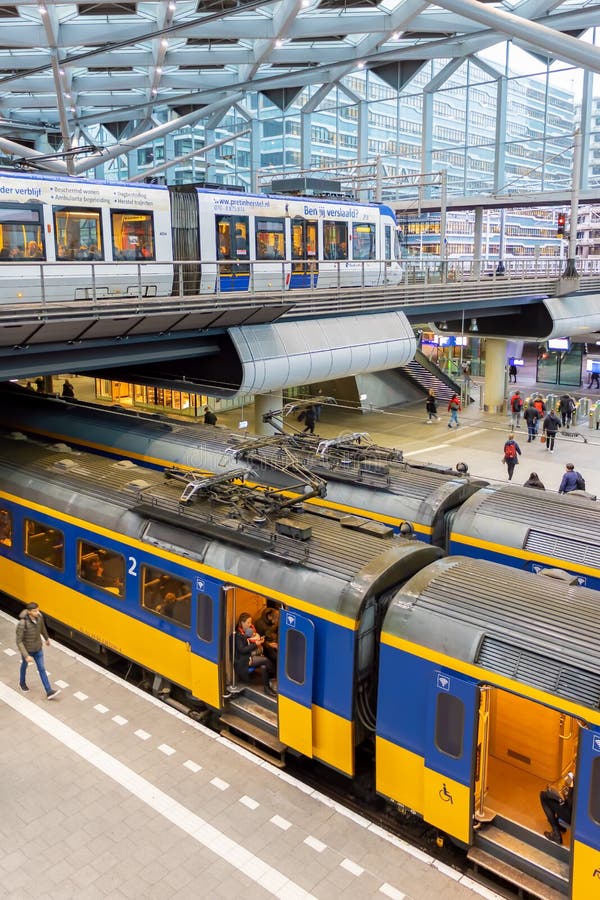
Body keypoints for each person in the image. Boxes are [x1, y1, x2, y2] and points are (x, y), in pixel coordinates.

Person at [16, 602, 60, 699]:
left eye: (38, 610)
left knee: (42, 669)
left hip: (38, 649)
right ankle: (22, 683)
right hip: (28, 651)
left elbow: (42, 628)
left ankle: (49, 691)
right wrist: (26, 655)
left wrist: (46, 638)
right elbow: (19, 641)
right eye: (35, 611)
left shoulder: (39, 617)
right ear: (29, 612)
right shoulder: (22, 624)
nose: (38, 612)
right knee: (24, 665)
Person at [233, 612, 276, 696]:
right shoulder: (238, 635)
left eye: (250, 622)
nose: (250, 625)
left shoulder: (248, 632)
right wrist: (255, 644)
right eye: (248, 622)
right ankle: (274, 676)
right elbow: (242, 650)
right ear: (242, 622)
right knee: (265, 660)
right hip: (244, 660)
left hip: (250, 656)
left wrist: (259, 641)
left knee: (263, 667)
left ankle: (267, 688)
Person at [540, 772, 574, 845]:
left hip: (571, 817)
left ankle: (556, 833)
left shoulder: (579, 781)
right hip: (575, 815)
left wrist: (560, 798)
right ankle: (560, 825)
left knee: (543, 795)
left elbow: (570, 803)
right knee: (553, 796)